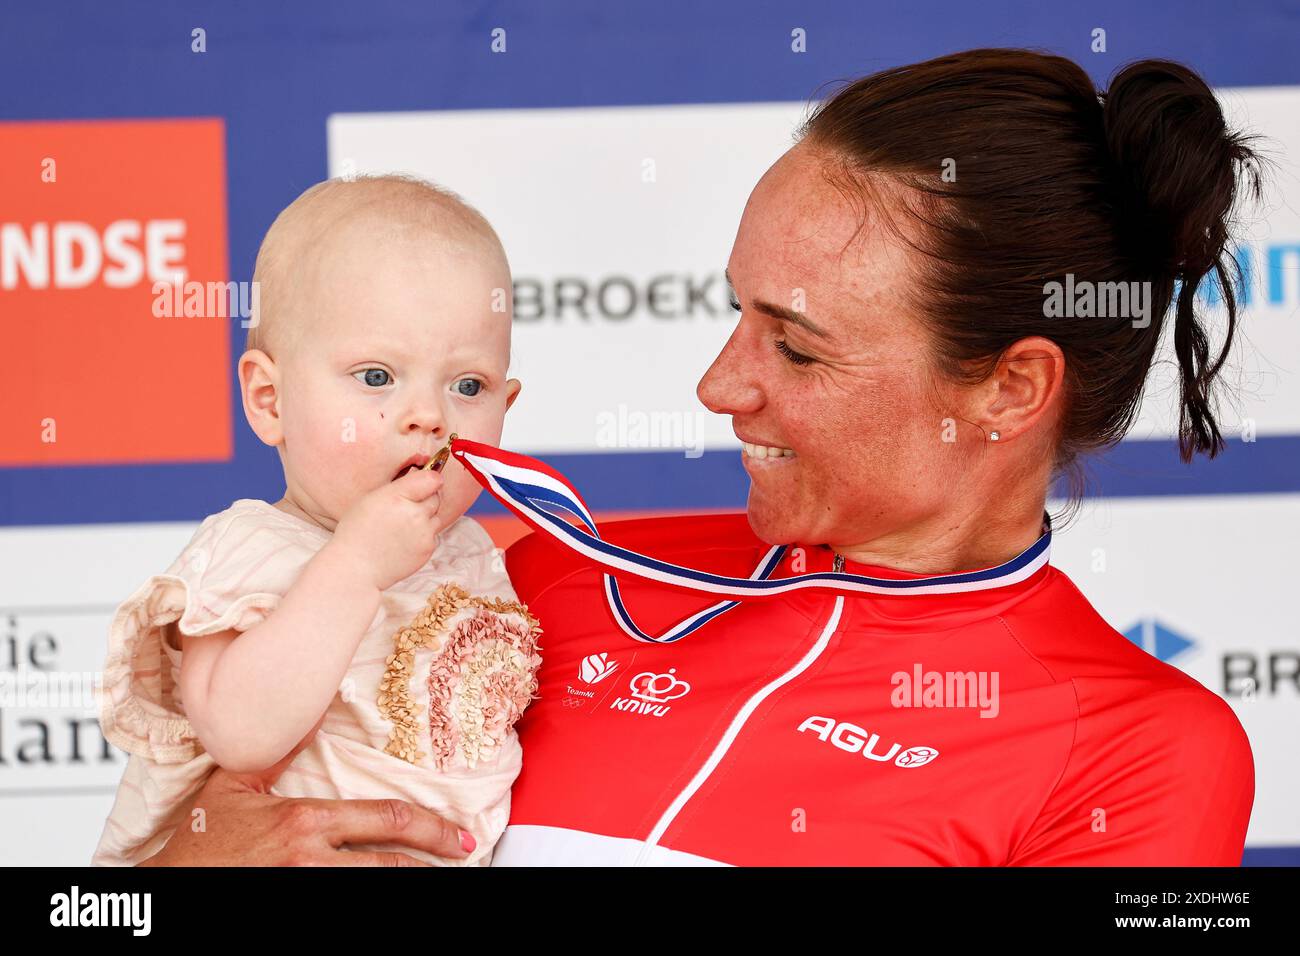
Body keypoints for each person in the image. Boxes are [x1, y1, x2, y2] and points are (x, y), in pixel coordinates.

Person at [136, 48, 1262, 866]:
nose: (719, 386)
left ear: (1007, 389)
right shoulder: (522, 566)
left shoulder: (1143, 750)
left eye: (796, 345)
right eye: (734, 312)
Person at [93, 175, 539, 866]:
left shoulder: (474, 555)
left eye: (468, 386)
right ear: (270, 400)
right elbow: (241, 733)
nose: (430, 416)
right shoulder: (252, 550)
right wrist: (356, 566)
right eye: (375, 377)